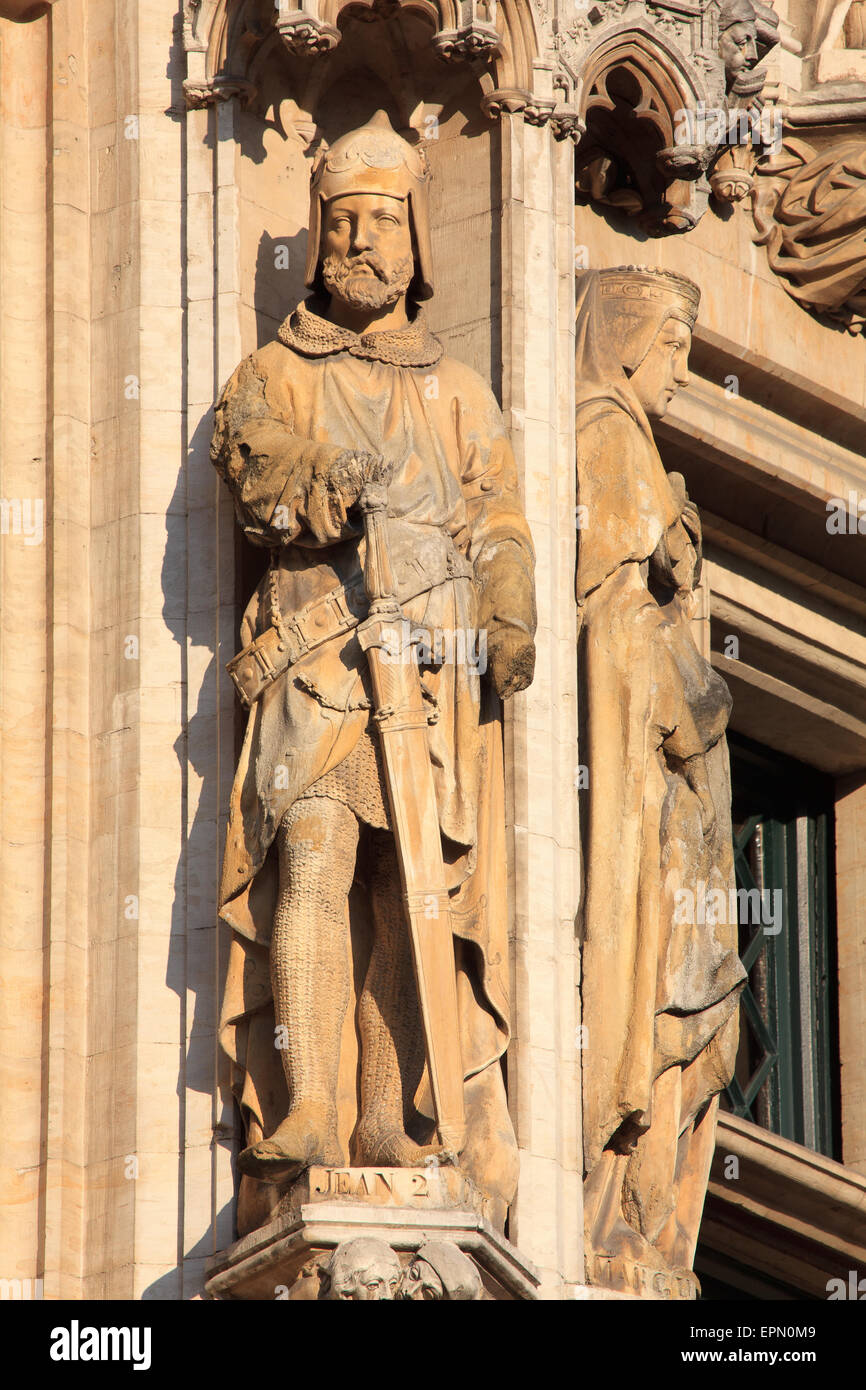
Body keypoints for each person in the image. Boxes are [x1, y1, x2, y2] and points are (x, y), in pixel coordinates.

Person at [212, 112, 536, 1235]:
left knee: (411, 897)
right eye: (341, 221)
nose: (360, 242)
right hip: (318, 657)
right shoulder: (275, 371)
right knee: (312, 857)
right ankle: (304, 1100)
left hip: (430, 676)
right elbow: (249, 458)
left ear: (415, 244)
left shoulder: (457, 392)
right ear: (317, 236)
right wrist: (322, 479)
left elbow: (498, 517)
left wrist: (507, 614)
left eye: (381, 223)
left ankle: (381, 1117)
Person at [575, 267, 745, 1297]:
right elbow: (615, 632)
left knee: (687, 1010)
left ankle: (640, 1227)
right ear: (623, 338)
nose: (681, 371)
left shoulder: (635, 450)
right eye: (670, 345)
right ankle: (604, 1211)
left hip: (670, 794)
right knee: (648, 993)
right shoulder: (603, 436)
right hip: (632, 784)